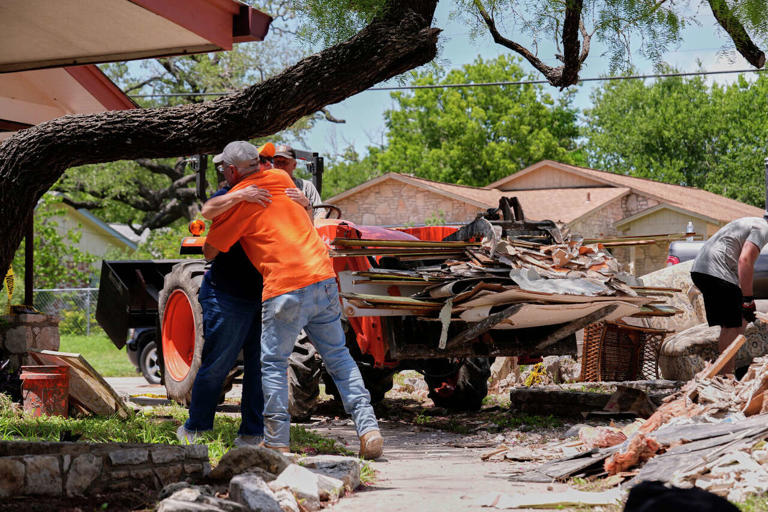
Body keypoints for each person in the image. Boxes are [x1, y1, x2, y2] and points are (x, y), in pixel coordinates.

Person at [203, 141, 383, 459]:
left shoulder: (240, 205)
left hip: (285, 287)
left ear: (231, 171)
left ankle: (276, 441)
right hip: (324, 279)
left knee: (272, 365)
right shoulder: (282, 179)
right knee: (340, 359)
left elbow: (210, 250)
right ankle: (369, 429)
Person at [175, 142, 276, 447]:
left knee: (259, 368)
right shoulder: (229, 195)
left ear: (231, 169)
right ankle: (197, 428)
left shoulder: (272, 191)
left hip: (265, 294)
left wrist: (304, 202)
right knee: (218, 364)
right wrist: (240, 195)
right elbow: (207, 212)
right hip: (227, 295)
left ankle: (252, 433)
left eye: (224, 169)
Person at [691, 216, 768, 375]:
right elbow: (745, 261)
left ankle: (725, 372)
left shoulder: (752, 222)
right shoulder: (763, 228)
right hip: (716, 271)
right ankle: (726, 377)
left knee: (735, 323)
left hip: (702, 270)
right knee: (732, 325)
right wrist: (747, 299)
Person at [273, 144, 322, 217]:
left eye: (284, 162)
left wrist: (306, 204)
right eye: (277, 162)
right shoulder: (267, 187)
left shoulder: (306, 186)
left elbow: (320, 214)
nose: (280, 166)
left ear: (294, 165)